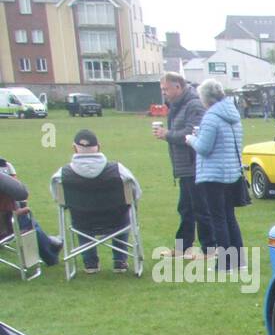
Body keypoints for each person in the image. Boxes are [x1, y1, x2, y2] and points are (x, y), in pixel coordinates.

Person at [50, 129, 142, 275]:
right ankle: (120, 261)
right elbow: (135, 193)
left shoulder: (61, 175)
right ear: (99, 147)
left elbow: (58, 199)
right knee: (124, 213)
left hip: (82, 222)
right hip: (116, 220)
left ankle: (90, 263)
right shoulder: (118, 170)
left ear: (74, 148)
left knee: (79, 216)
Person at [190, 79, 245, 271]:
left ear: (206, 98)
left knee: (218, 218)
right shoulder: (234, 116)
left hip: (213, 174)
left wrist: (192, 139)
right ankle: (239, 261)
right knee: (230, 217)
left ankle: (225, 263)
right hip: (231, 172)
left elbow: (204, 147)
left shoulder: (211, 117)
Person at [155, 71, 208, 260]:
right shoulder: (177, 106)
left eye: (166, 89)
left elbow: (192, 132)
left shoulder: (193, 105)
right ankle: (182, 247)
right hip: (184, 166)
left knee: (201, 207)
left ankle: (210, 248)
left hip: (194, 165)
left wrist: (167, 135)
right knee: (185, 207)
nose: (164, 93)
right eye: (162, 89)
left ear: (178, 86)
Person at [0, 157, 62, 265]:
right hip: (5, 227)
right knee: (25, 217)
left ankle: (51, 244)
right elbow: (22, 193)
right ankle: (51, 253)